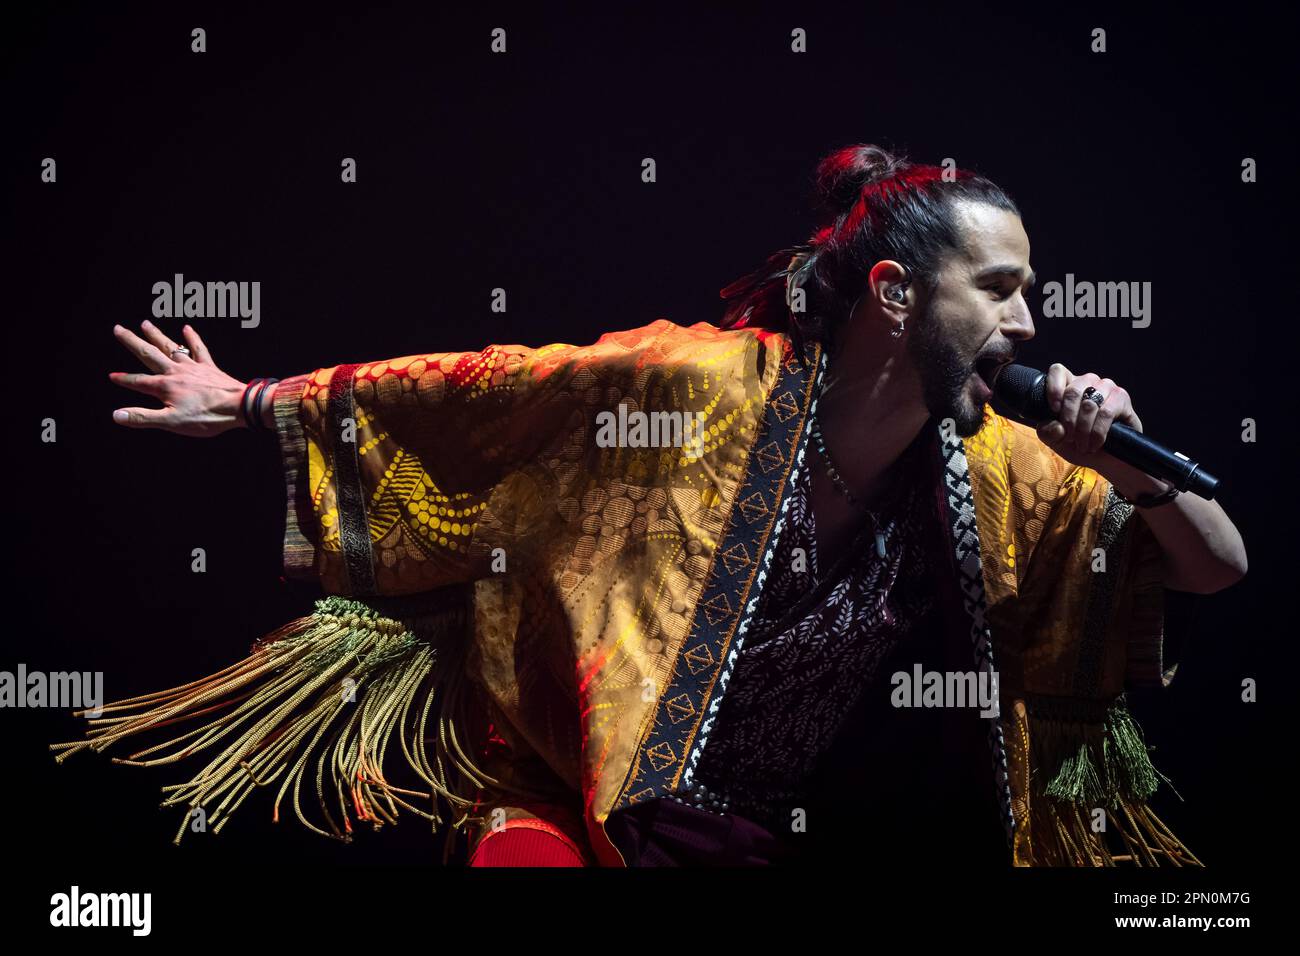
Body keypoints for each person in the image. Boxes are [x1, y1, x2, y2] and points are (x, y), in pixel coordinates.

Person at [54, 144, 1246, 866]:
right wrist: (253, 396)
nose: (1028, 323)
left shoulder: (992, 461)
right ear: (892, 294)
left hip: (739, 840)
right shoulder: (694, 391)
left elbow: (1214, 562)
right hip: (564, 803)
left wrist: (1129, 466)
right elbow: (491, 390)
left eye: (1029, 291)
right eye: (998, 288)